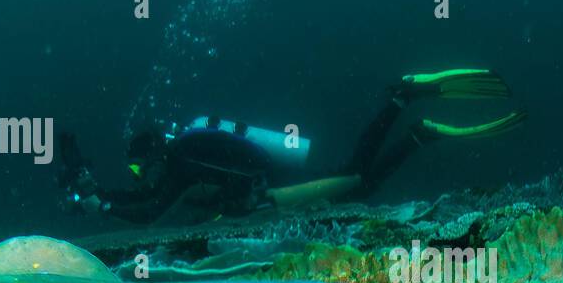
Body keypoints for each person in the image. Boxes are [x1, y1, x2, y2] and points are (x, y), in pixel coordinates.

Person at [59, 69, 526, 224]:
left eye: (141, 170)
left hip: (278, 185)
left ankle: (400, 100)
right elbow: (150, 200)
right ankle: (418, 135)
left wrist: (105, 205)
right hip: (276, 179)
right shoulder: (184, 151)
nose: (146, 177)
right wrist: (105, 196)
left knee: (357, 178)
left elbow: (153, 209)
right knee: (357, 186)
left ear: (154, 156)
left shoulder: (181, 157)